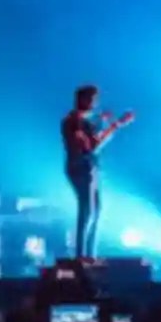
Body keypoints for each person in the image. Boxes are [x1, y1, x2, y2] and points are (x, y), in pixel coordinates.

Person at [61, 85, 134, 259]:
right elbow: (91, 146)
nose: (95, 103)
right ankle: (82, 256)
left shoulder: (82, 120)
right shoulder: (74, 120)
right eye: (92, 99)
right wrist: (115, 125)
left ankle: (89, 255)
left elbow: (94, 141)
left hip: (88, 167)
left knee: (96, 211)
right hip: (82, 167)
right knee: (88, 211)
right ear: (83, 99)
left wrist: (104, 123)